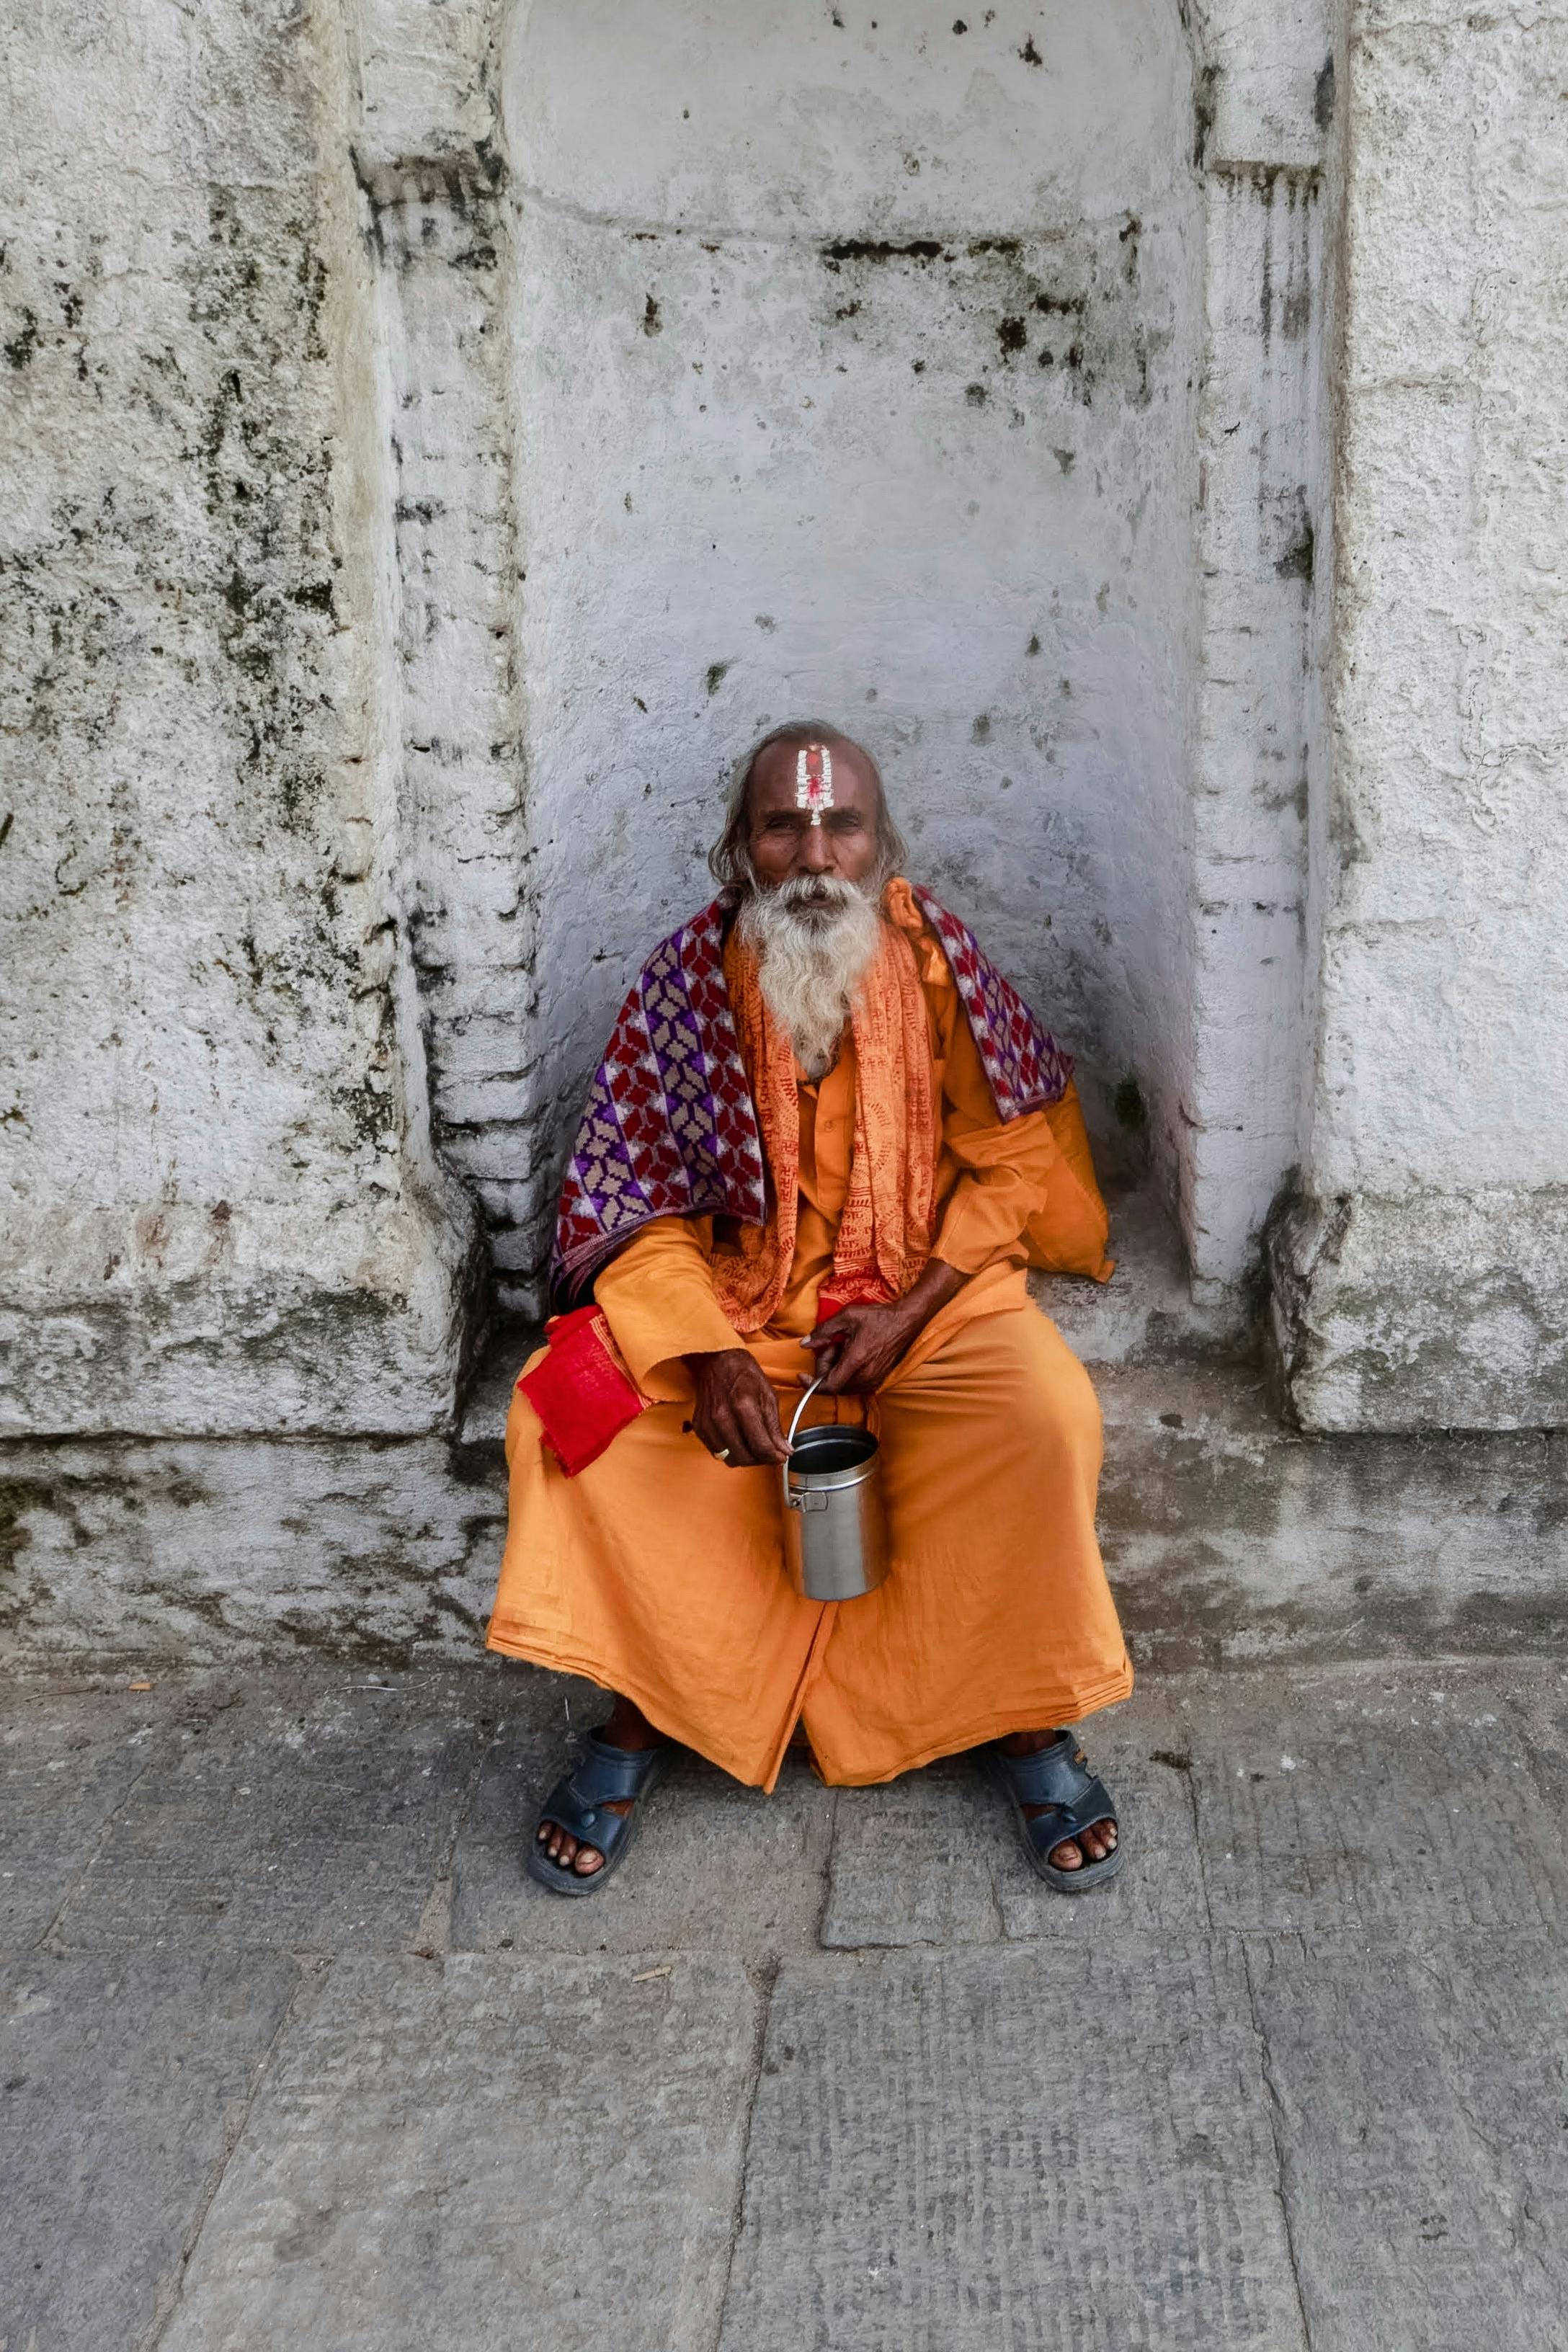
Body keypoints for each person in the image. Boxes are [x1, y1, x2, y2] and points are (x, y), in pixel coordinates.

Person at [488, 722, 1132, 1897]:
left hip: (924, 1301)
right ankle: (648, 1705)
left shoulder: (934, 962)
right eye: (785, 824)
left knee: (1045, 1414)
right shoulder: (684, 988)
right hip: (736, 1308)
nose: (817, 853)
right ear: (740, 850)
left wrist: (911, 1306)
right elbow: (638, 1208)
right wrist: (705, 1354)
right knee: (561, 1420)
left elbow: (1012, 1162)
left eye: (844, 825)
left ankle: (1022, 1711)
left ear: (883, 846)